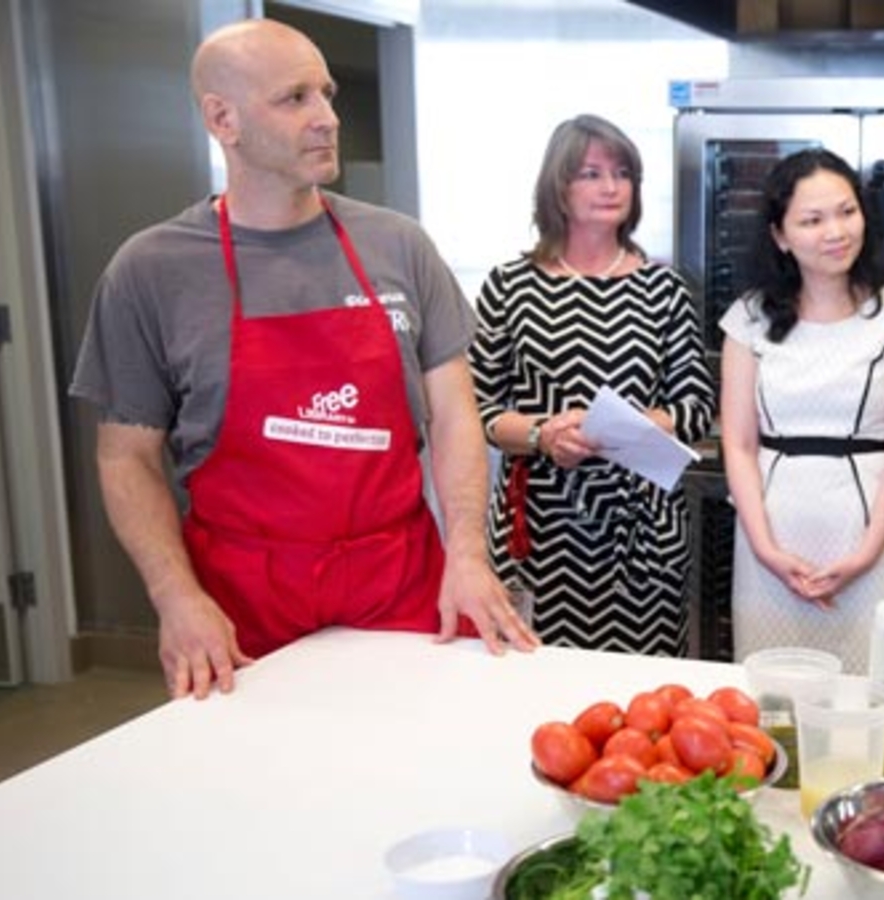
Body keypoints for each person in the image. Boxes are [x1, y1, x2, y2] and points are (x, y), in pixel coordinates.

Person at [68, 19, 538, 700]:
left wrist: (467, 554)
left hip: (397, 580)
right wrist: (175, 598)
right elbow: (126, 457)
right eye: (295, 99)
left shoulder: (399, 245)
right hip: (241, 605)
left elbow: (454, 416)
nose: (326, 119)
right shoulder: (150, 270)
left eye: (327, 93)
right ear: (221, 118)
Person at [469, 114, 715, 656]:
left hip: (643, 534)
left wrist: (629, 427)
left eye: (622, 173)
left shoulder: (663, 288)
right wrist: (541, 435)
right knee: (534, 686)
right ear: (558, 185)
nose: (611, 187)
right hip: (538, 529)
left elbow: (698, 406)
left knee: (642, 700)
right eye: (591, 173)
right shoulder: (510, 285)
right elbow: (478, 407)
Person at [720, 148, 884, 672]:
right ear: (780, 235)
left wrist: (865, 555)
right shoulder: (747, 318)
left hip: (873, 538)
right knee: (773, 703)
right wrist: (767, 550)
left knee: (874, 692)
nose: (835, 231)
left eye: (846, 212)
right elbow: (739, 443)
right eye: (812, 220)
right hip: (770, 539)